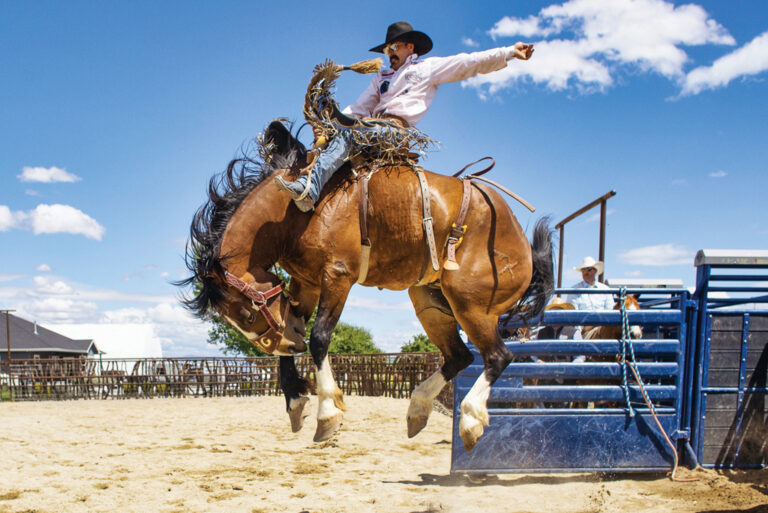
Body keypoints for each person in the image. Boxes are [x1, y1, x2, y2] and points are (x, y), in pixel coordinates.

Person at [275, 21, 535, 211]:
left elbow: (468, 63)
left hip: (394, 131)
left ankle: (310, 191)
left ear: (410, 47)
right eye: (387, 48)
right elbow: (360, 108)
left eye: (394, 46)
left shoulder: (427, 69)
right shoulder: (381, 78)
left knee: (350, 135)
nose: (389, 52)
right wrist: (331, 119)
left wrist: (509, 52)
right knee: (340, 136)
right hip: (369, 127)